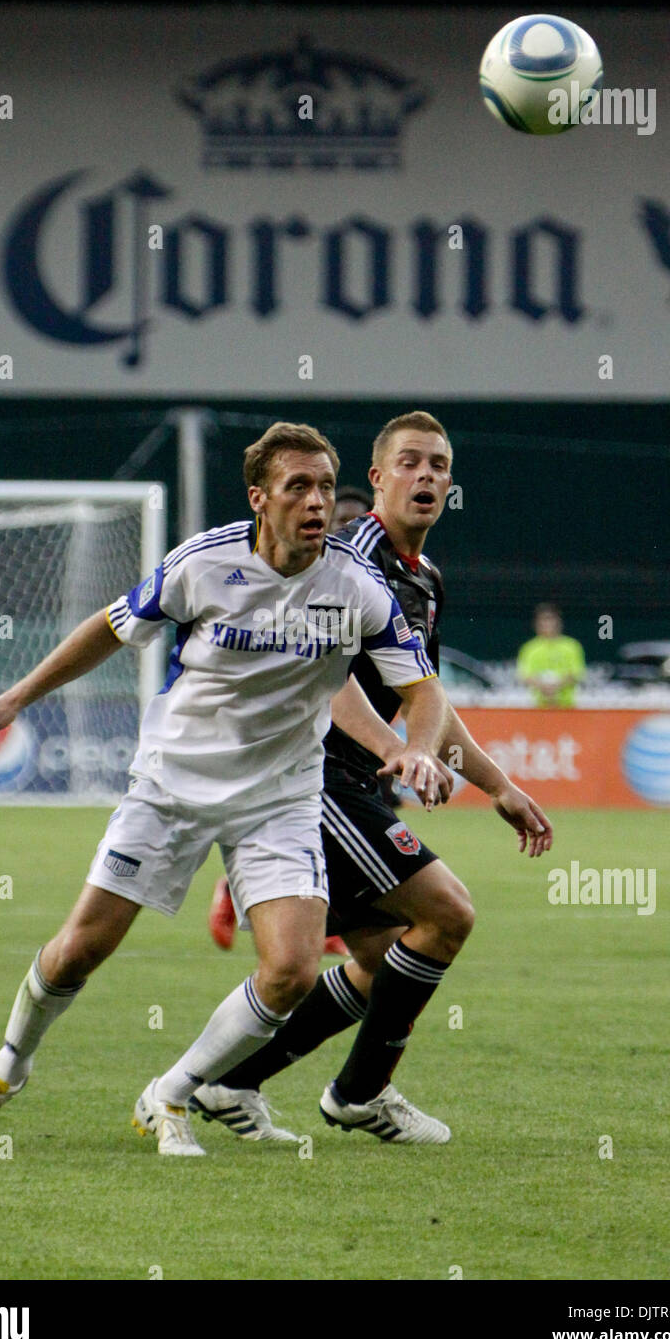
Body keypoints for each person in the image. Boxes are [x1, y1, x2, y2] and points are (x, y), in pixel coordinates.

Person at [0, 422, 452, 1158]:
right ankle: (2, 1074)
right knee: (79, 951)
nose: (315, 501)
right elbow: (110, 629)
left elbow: (422, 690)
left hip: (281, 797)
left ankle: (171, 1092)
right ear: (259, 498)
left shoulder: (355, 585)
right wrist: (18, 697)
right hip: (173, 786)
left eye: (326, 487)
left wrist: (419, 751)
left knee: (292, 971)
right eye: (296, 486)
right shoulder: (203, 563)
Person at [180, 412, 553, 1146]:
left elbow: (425, 695)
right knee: (447, 912)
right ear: (377, 479)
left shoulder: (422, 579)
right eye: (409, 463)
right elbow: (324, 680)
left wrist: (496, 784)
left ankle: (230, 1082)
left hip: (352, 783)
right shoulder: (349, 563)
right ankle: (359, 1094)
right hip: (310, 775)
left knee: (383, 960)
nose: (426, 477)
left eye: (439, 466)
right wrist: (398, 750)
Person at [207, 481, 374, 957]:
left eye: (354, 522)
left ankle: (311, 921)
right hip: (321, 744)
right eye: (339, 521)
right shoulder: (302, 581)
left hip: (369, 746)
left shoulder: (375, 582)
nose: (344, 530)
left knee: (340, 846)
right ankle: (302, 921)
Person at [517, 603, 586, 708]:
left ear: (559, 622)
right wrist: (543, 687)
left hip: (567, 706)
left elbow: (577, 673)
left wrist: (556, 686)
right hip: (539, 707)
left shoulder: (572, 646)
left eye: (551, 620)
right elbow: (525, 675)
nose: (548, 624)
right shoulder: (529, 648)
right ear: (536, 624)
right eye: (543, 620)